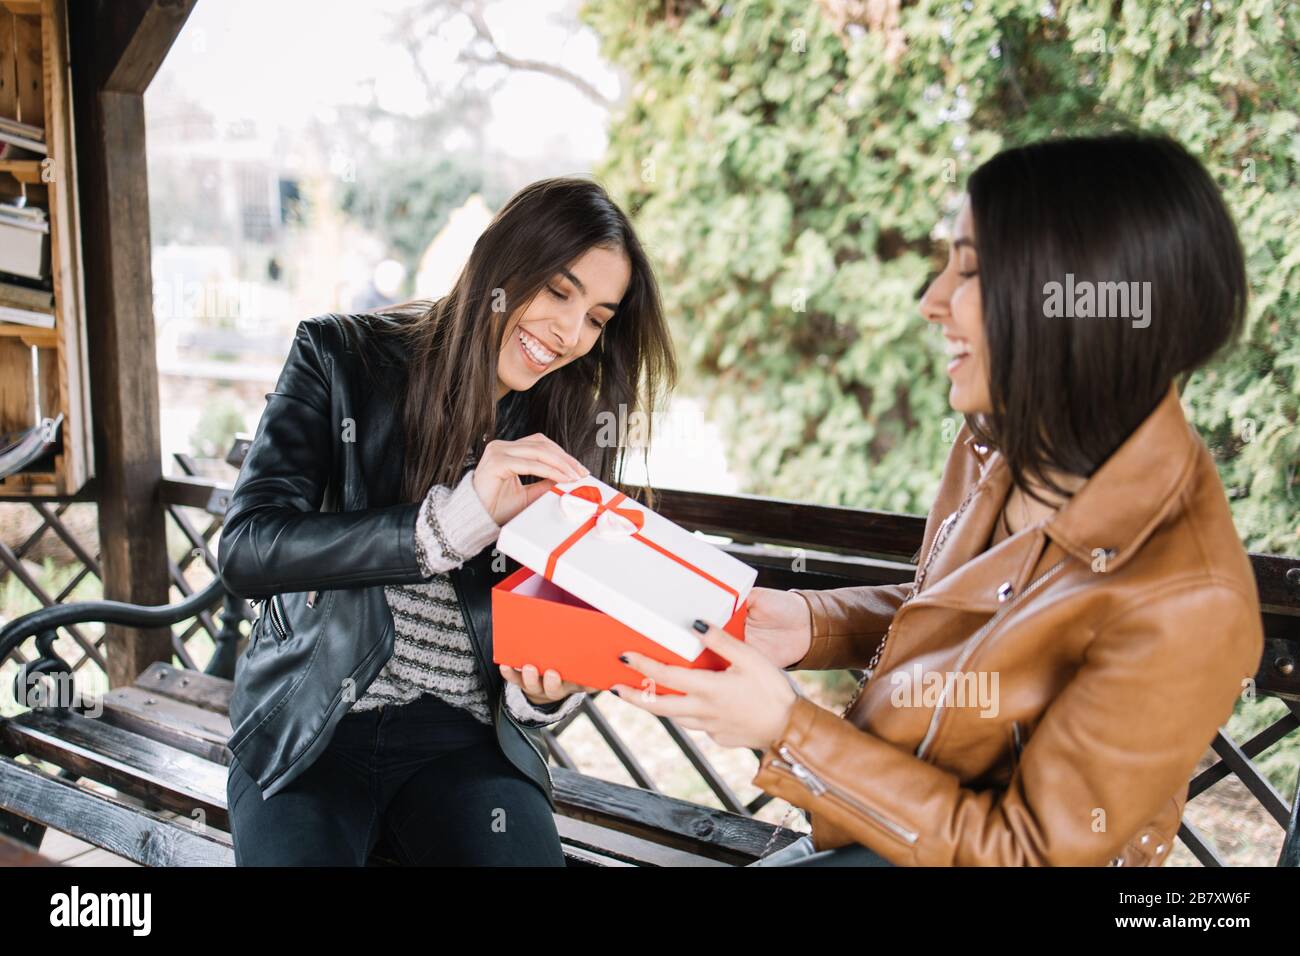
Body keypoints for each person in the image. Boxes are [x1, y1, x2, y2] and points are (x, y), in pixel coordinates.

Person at [613, 133, 1264, 866]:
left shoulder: (1192, 600)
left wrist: (788, 728)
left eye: (972, 271)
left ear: (1077, 302)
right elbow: (972, 617)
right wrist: (807, 624)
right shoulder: (1002, 440)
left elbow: (1027, 855)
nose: (931, 303)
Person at [218, 177, 676, 865]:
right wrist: (447, 525)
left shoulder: (570, 424)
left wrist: (539, 694)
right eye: (558, 291)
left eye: (598, 318)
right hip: (312, 726)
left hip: (464, 746)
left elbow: (551, 615)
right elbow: (248, 548)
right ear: (500, 260)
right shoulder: (342, 357)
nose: (570, 333)